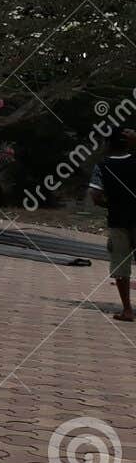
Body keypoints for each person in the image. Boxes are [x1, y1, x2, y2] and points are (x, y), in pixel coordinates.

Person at [89, 122, 136, 323]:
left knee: (121, 265)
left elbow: (96, 196)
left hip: (118, 220)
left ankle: (127, 310)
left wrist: (112, 204)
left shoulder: (103, 165)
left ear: (108, 144)